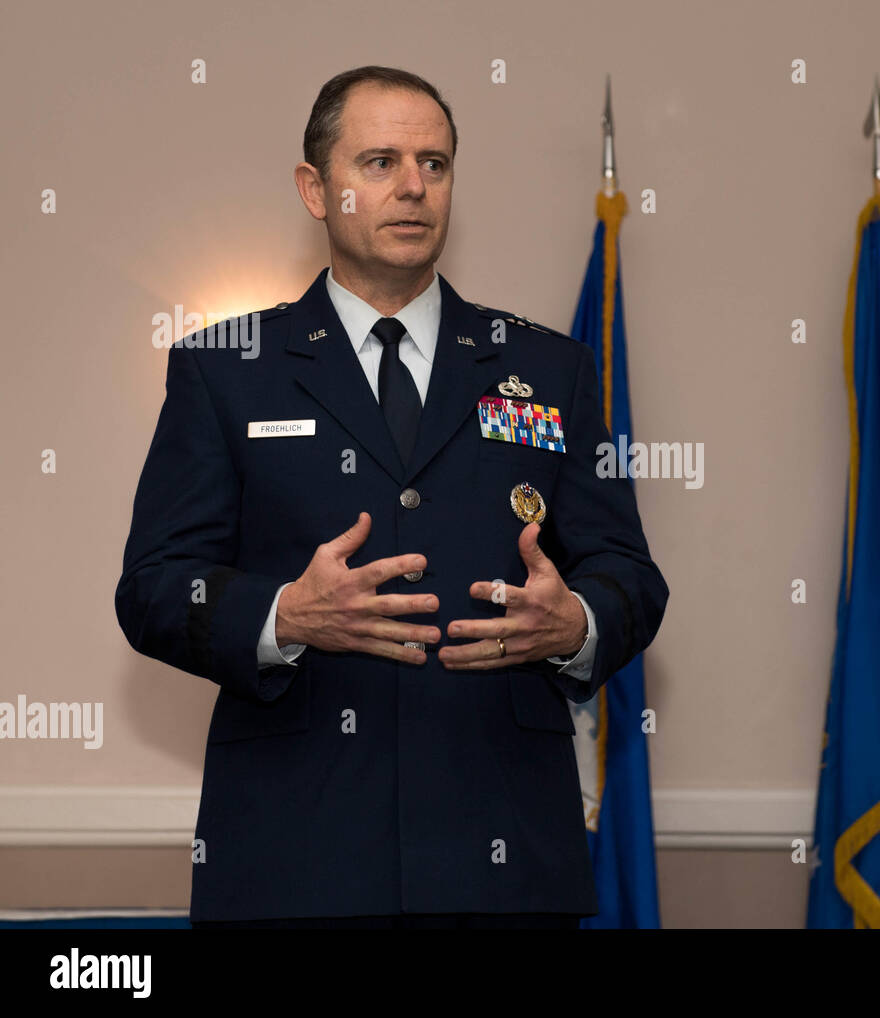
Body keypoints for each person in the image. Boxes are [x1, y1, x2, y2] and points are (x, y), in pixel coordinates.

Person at [115, 65, 668, 930]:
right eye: (379, 162)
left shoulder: (546, 368)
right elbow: (153, 588)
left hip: (505, 860)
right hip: (295, 861)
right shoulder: (226, 371)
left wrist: (578, 625)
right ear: (314, 188)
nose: (413, 185)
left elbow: (629, 573)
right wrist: (285, 617)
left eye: (435, 164)